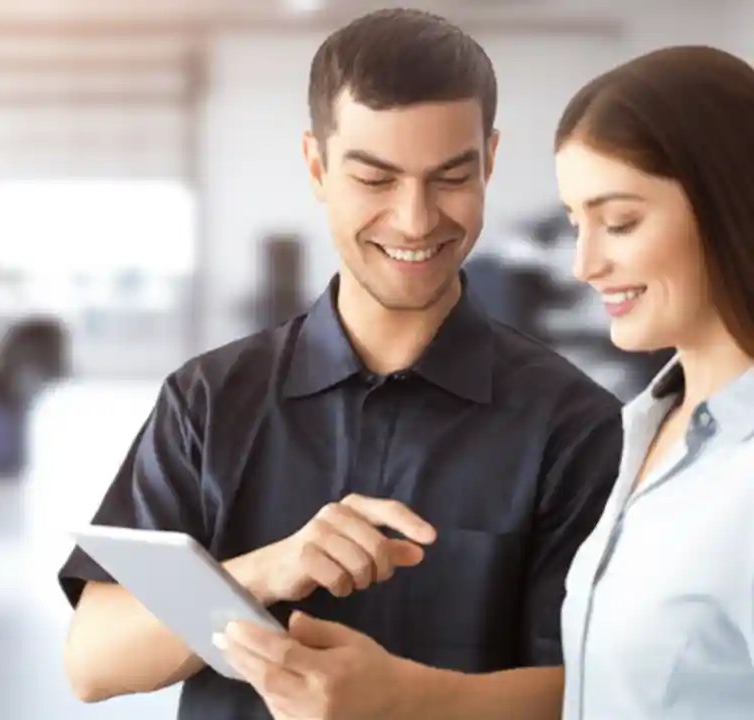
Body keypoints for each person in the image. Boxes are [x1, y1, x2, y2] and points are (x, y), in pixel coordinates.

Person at [57, 9, 623, 719]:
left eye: (450, 177)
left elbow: (593, 692)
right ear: (317, 166)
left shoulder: (574, 426)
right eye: (376, 180)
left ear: (490, 161)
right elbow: (93, 660)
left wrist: (404, 703)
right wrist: (268, 569)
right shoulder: (207, 401)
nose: (416, 221)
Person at [218, 44, 754, 719]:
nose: (585, 264)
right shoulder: (642, 435)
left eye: (619, 222)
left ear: (733, 201)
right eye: (574, 223)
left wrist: (403, 698)